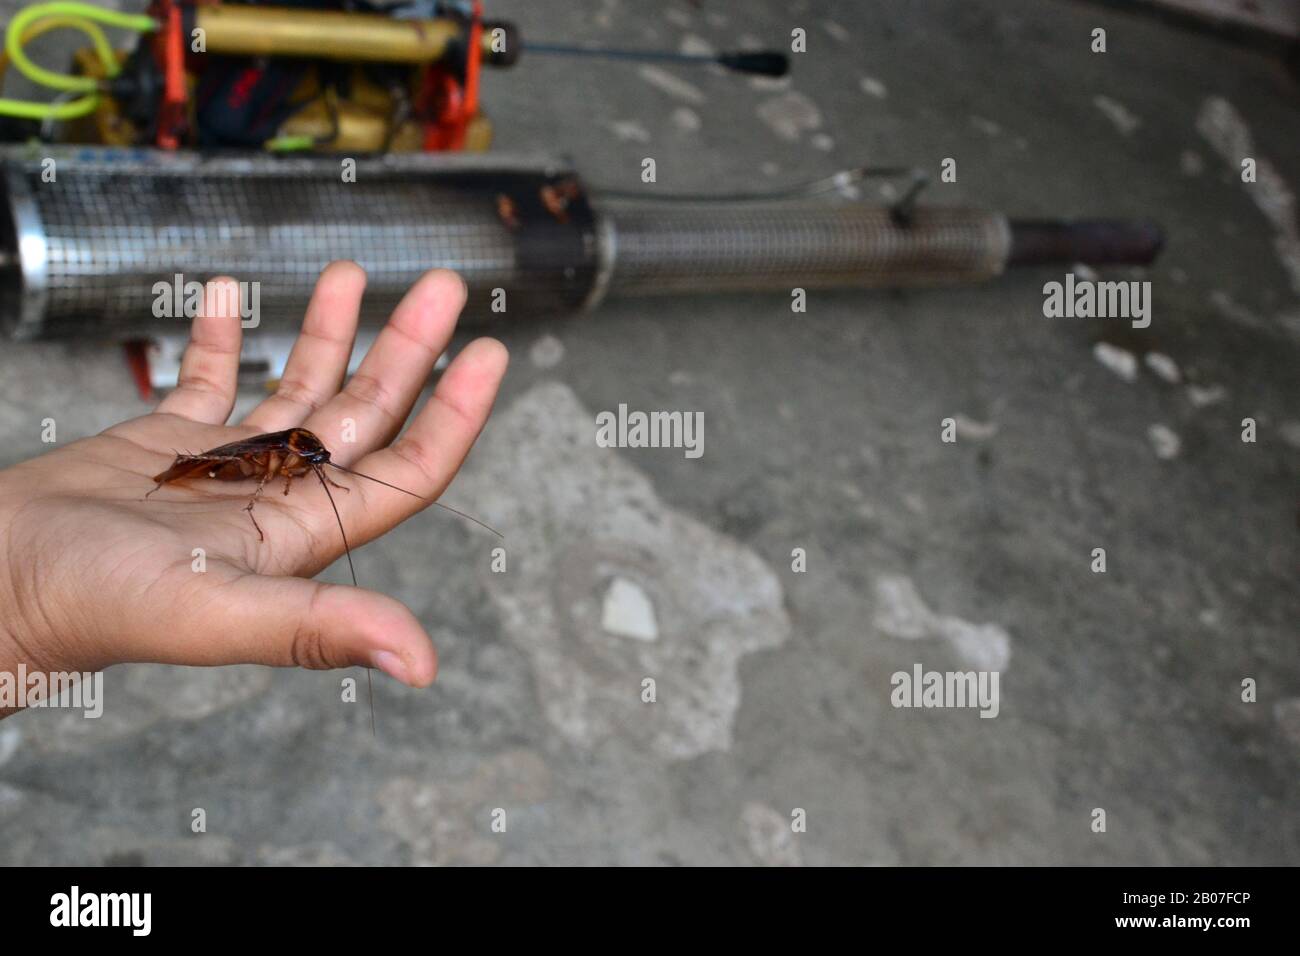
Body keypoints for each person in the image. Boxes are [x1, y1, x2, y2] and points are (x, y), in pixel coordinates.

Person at [0, 262, 508, 718]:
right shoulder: (284, 454)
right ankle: (186, 472)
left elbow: (309, 459)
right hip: (240, 459)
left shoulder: (308, 455)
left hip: (261, 456)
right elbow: (275, 462)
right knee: (212, 466)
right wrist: (22, 618)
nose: (313, 468)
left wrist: (25, 618)